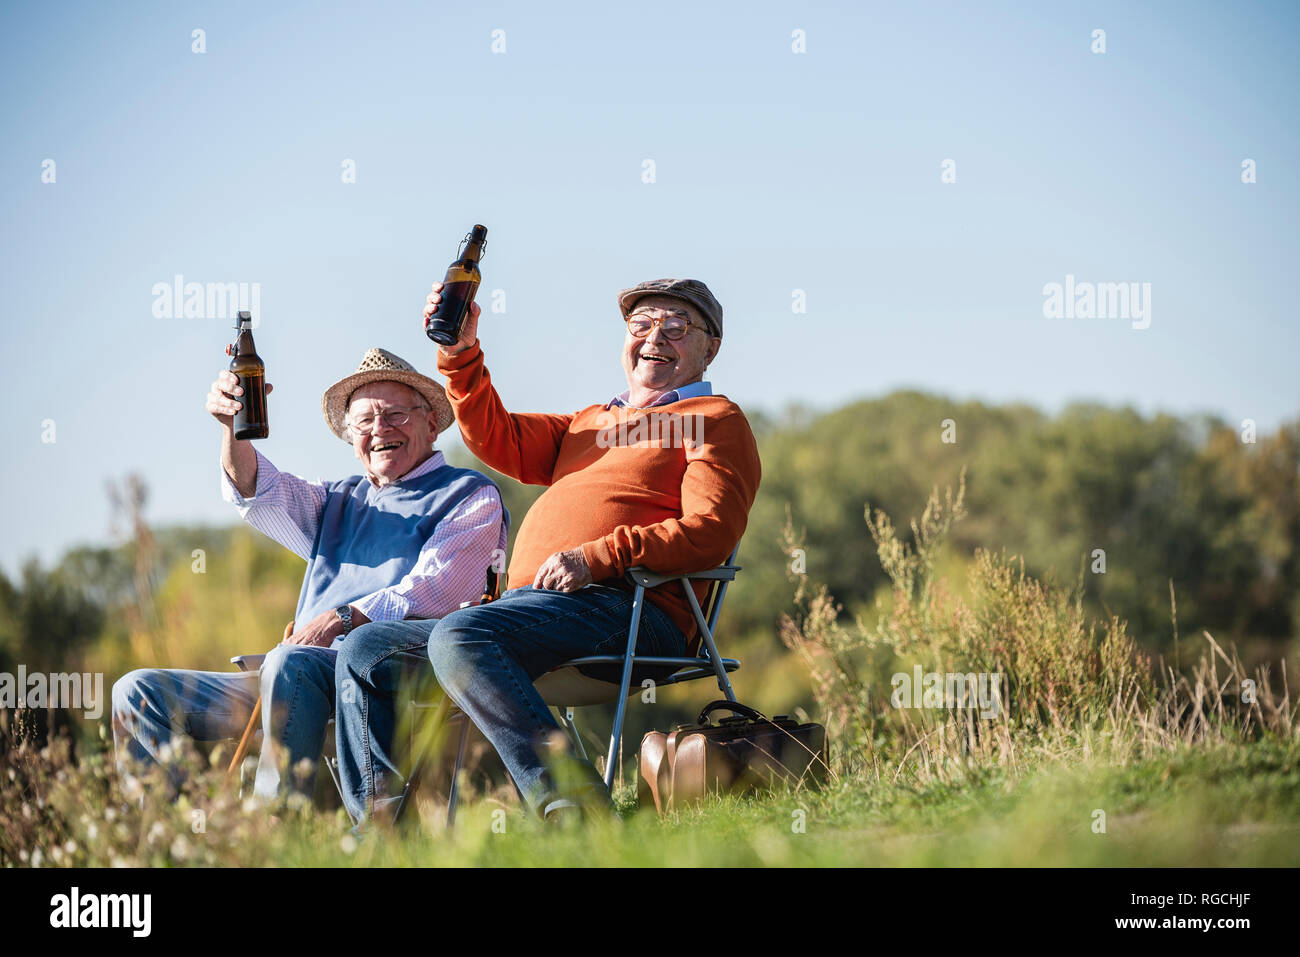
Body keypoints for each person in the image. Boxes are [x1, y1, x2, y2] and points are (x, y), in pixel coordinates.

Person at [421, 276, 762, 820]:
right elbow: (496, 437)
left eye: (677, 327)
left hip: (632, 610)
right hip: (532, 613)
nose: (656, 337)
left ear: (710, 348)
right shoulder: (592, 422)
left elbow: (710, 531)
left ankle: (576, 809)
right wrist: (460, 352)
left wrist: (599, 557)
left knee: (460, 635)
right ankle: (381, 835)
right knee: (369, 648)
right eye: (642, 325)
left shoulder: (713, 420)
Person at [111, 348, 507, 807]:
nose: (380, 430)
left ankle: (270, 830)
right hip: (292, 676)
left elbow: (440, 587)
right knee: (137, 691)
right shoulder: (337, 499)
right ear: (350, 436)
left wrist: (338, 619)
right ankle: (172, 839)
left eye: (395, 415)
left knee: (288, 663)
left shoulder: (468, 493)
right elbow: (258, 492)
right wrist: (231, 429)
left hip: (388, 673)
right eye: (364, 422)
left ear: (431, 424)